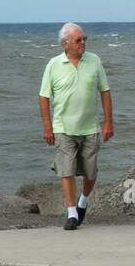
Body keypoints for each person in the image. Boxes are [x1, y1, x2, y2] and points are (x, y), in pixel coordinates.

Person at [39, 22, 113, 231]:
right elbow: (44, 96)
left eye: (84, 39)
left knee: (90, 173)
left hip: (90, 127)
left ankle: (83, 201)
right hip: (63, 128)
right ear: (66, 44)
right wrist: (47, 126)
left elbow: (105, 92)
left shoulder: (94, 61)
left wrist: (108, 122)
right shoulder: (53, 65)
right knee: (67, 170)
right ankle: (71, 213)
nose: (83, 43)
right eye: (78, 40)